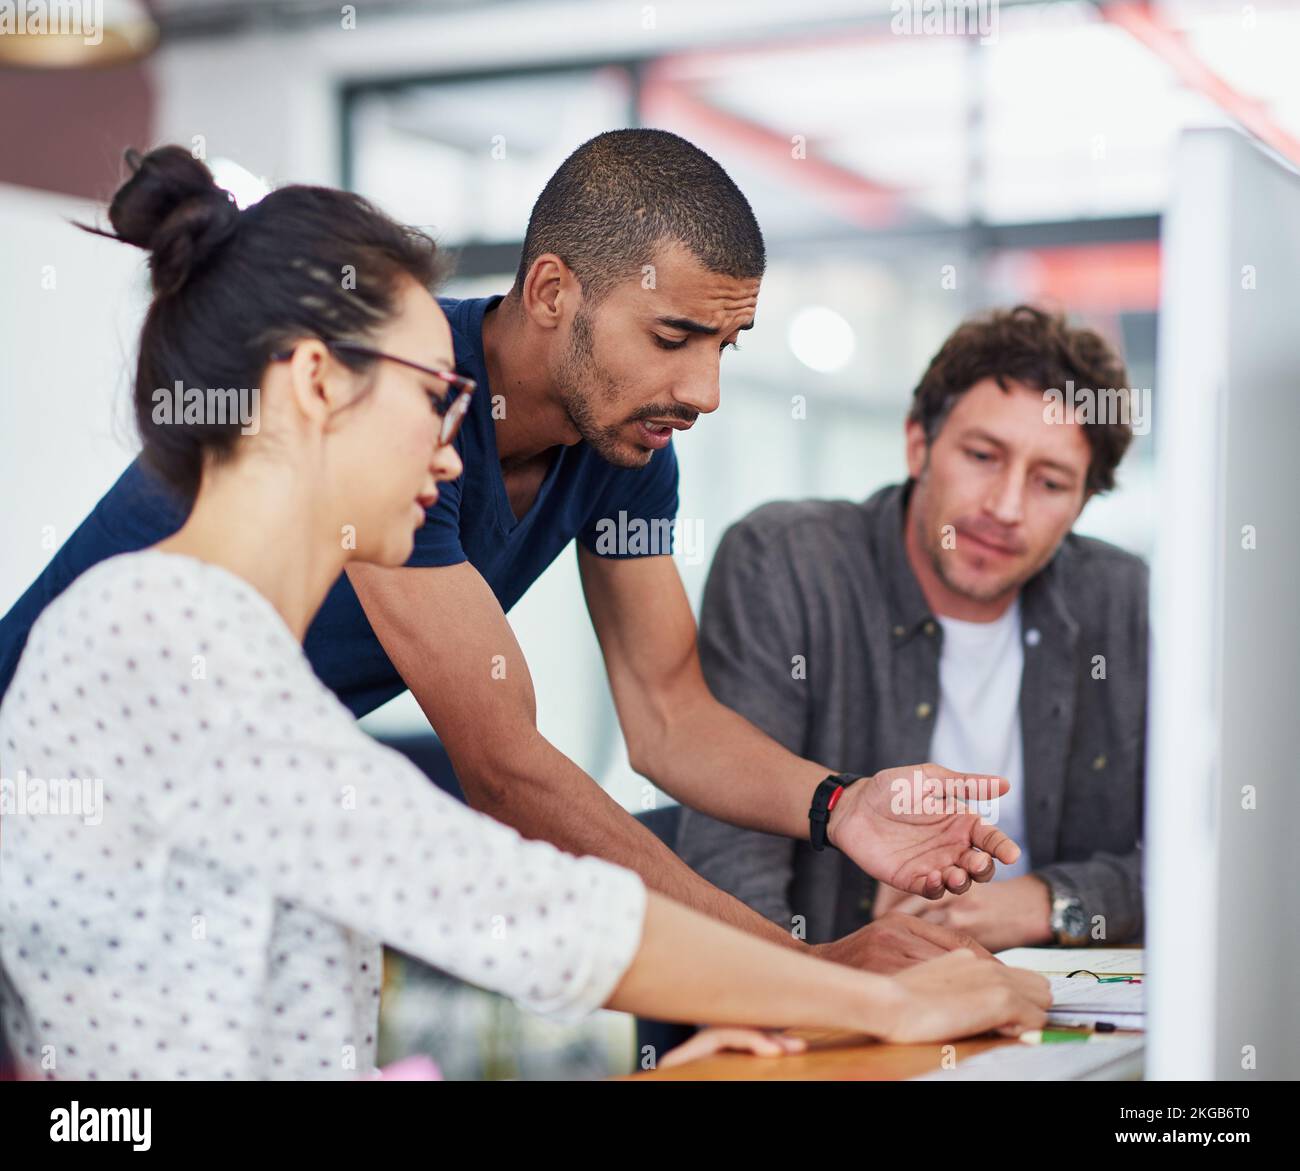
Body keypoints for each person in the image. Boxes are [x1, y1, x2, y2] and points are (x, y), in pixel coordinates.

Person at [0, 147, 1049, 1081]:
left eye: (725, 345)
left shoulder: (612, 453)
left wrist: (838, 808)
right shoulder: (163, 638)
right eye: (431, 401)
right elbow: (499, 817)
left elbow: (665, 717)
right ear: (315, 386)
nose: (451, 446)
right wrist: (839, 990)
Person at [677, 306, 1146, 954]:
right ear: (918, 443)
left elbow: (1206, 858)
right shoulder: (786, 563)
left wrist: (1042, 903)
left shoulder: (1126, 604)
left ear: (1084, 502)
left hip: (1052, 1014)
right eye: (983, 455)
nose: (1005, 508)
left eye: (1050, 482)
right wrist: (821, 998)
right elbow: (729, 857)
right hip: (833, 1015)